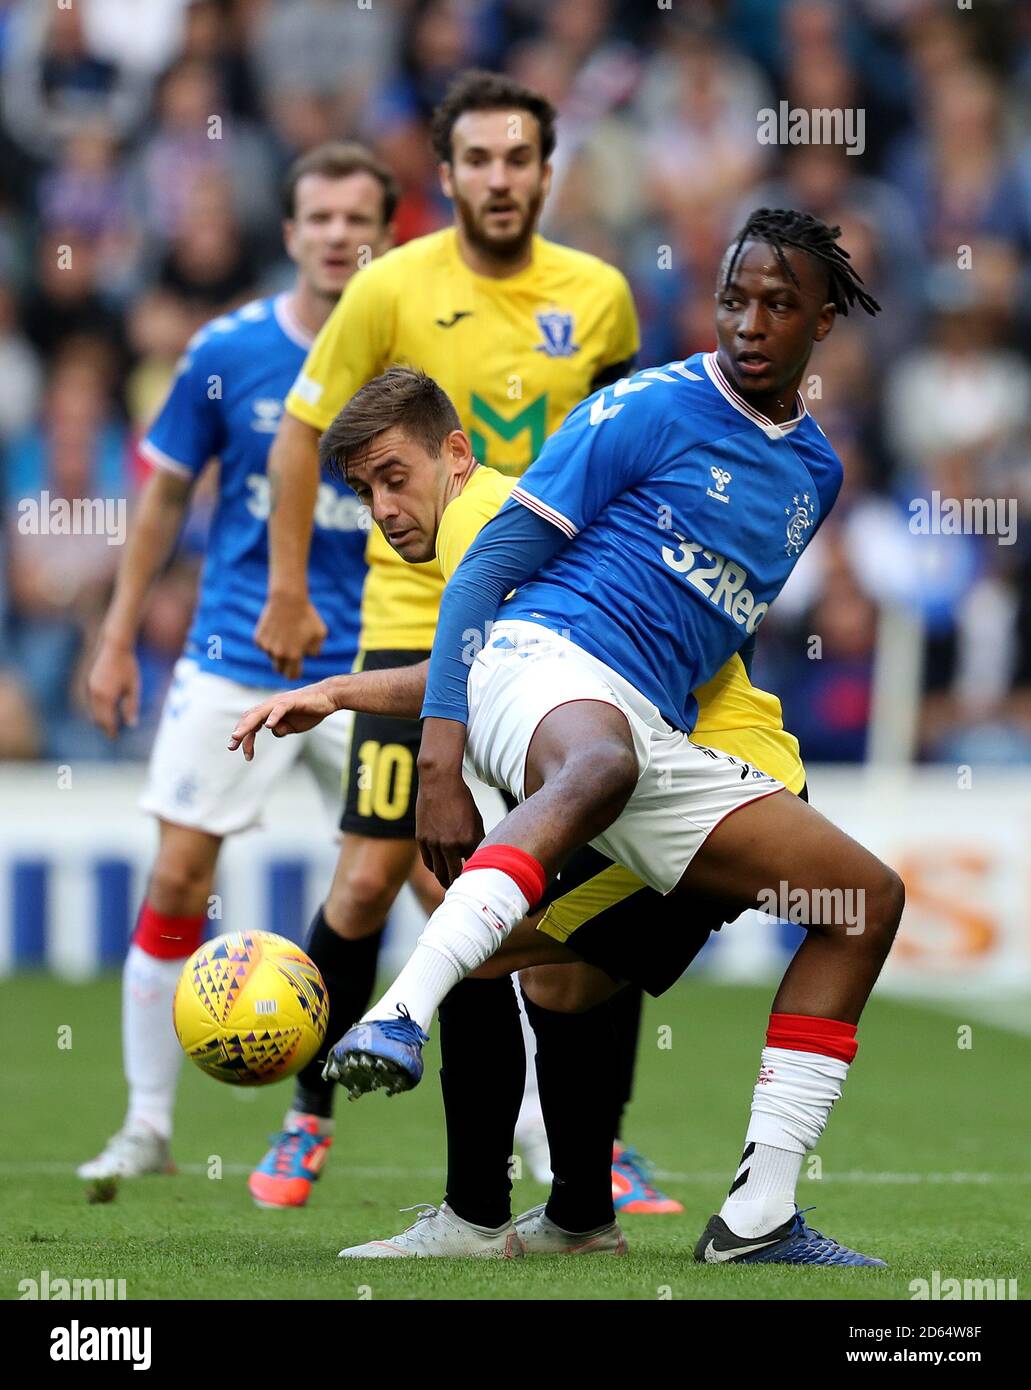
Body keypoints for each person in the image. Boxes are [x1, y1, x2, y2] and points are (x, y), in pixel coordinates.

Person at [327, 210, 904, 1267]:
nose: (749, 323)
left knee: (860, 901)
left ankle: (752, 1217)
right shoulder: (643, 405)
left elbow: (703, 630)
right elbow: (486, 570)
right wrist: (440, 762)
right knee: (597, 775)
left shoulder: (812, 474)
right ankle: (398, 1014)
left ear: (824, 321)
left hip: (649, 726)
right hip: (542, 665)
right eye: (734, 298)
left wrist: (336, 695)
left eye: (778, 304)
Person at [230, 360, 814, 1258]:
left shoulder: (481, 523)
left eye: (396, 476)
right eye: (362, 490)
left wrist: (434, 765)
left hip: (707, 784)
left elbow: (483, 670)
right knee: (559, 973)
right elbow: (484, 664)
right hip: (710, 770)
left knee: (471, 950)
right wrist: (339, 692)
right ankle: (580, 1220)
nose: (383, 508)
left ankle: (473, 1220)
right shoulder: (500, 512)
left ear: (454, 457)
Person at [246, 68, 677, 1218]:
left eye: (517, 159)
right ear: (444, 177)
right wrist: (289, 590)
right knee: (389, 873)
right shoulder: (388, 285)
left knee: (584, 875)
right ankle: (310, 1115)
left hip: (565, 631)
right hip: (412, 625)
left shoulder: (598, 296)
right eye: (475, 160)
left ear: (546, 171)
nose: (497, 177)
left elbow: (626, 457)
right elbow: (306, 437)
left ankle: (595, 1155)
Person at [77, 143, 396, 1181]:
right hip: (236, 650)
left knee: (454, 880)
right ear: (292, 232)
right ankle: (145, 1126)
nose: (340, 235)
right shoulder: (228, 348)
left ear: (384, 233)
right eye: (321, 217)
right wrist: (120, 634)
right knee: (177, 870)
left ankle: (546, 1135)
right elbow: (166, 493)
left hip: (374, 659)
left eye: (359, 218)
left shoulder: (415, 354)